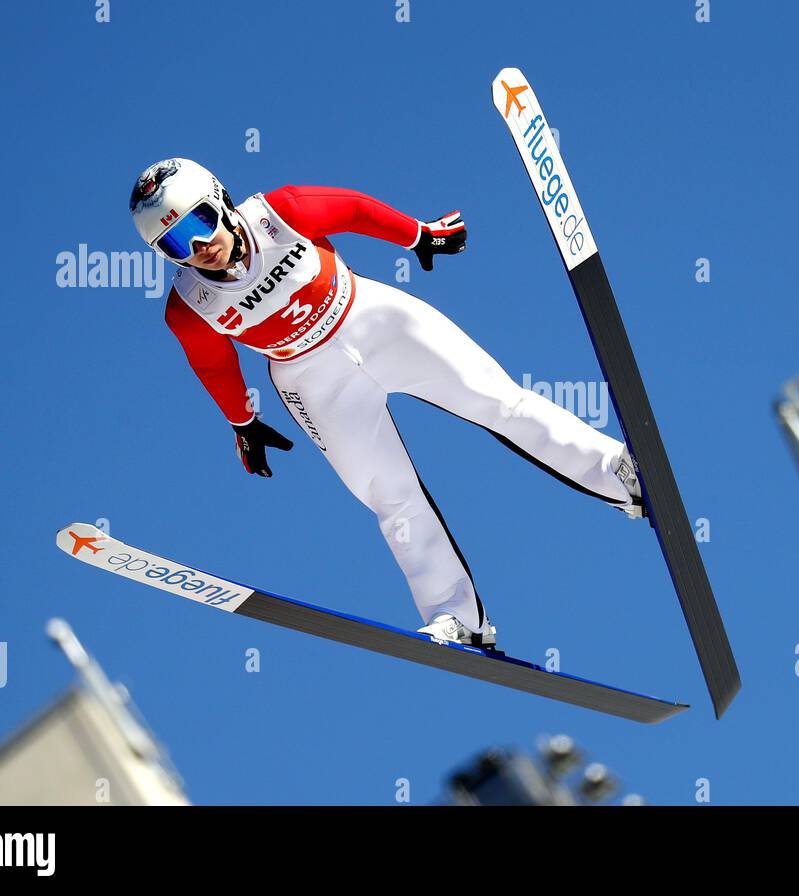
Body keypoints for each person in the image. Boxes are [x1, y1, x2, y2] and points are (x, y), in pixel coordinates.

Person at [128, 158, 642, 650]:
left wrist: (418, 234)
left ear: (220, 198)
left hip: (373, 321)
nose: (199, 245)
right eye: (175, 243)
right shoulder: (190, 308)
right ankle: (457, 618)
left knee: (498, 400)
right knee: (387, 493)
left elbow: (352, 208)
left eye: (200, 221)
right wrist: (243, 421)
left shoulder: (279, 212)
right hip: (311, 379)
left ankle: (618, 474)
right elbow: (213, 365)